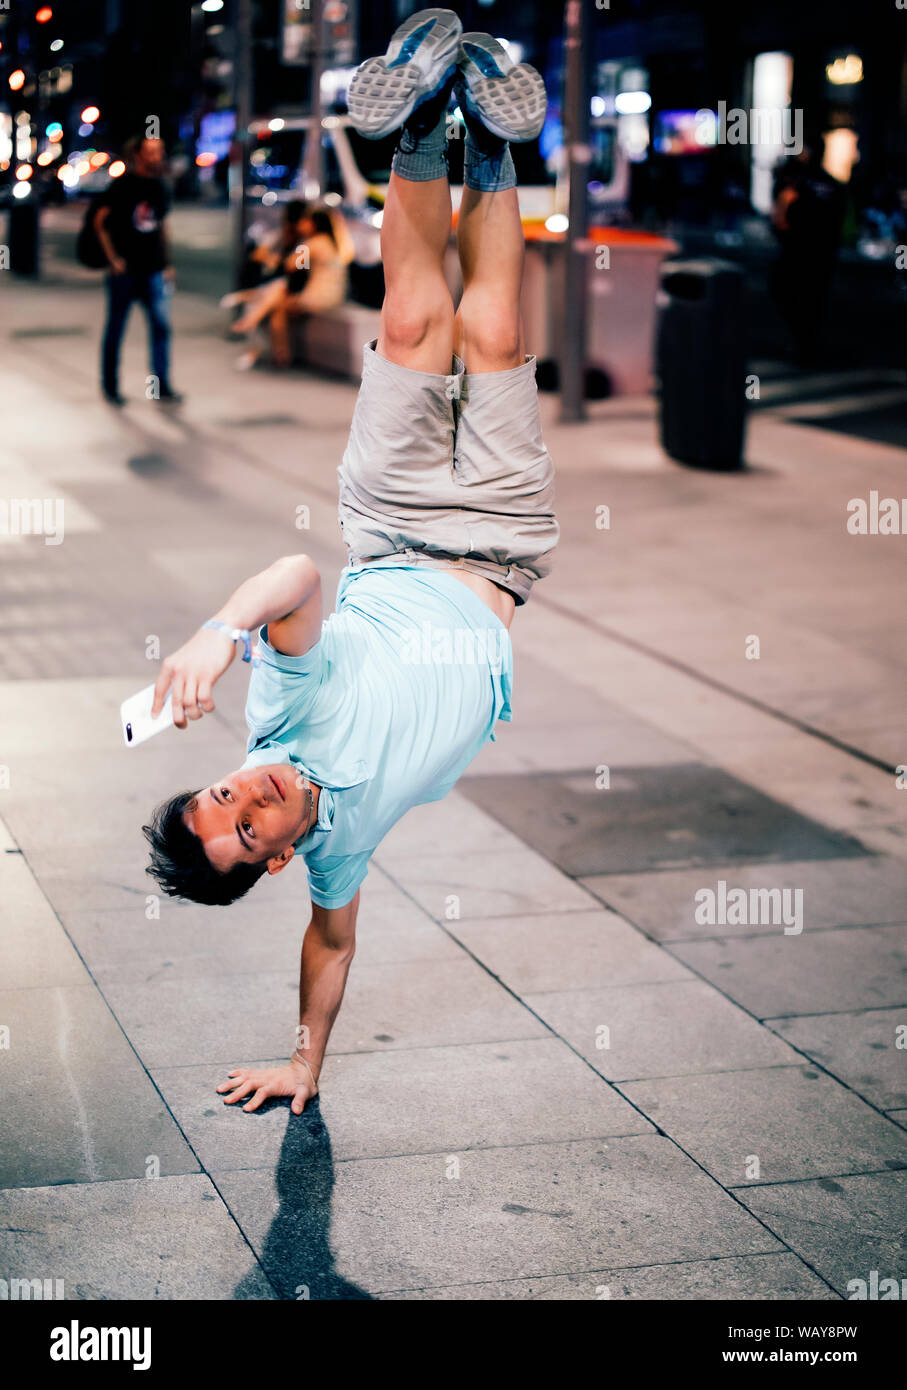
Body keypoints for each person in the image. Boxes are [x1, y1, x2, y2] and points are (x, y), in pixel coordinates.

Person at [142, 9, 557, 1117]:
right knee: (492, 331)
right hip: (495, 551)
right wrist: (303, 1065)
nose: (246, 796)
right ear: (271, 862)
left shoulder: (283, 711)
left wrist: (215, 634)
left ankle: (423, 130)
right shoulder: (332, 858)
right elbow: (330, 947)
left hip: (388, 527)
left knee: (416, 318)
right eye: (241, 830)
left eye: (220, 792)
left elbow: (294, 579)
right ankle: (498, 142)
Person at [94, 135, 181, 406]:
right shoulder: (122, 186)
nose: (157, 157)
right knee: (116, 329)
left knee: (161, 327)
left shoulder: (160, 187)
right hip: (125, 273)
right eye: (151, 152)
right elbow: (100, 222)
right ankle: (110, 386)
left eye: (160, 151)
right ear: (139, 155)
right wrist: (113, 259)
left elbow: (162, 225)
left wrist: (167, 263)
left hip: (153, 270)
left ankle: (161, 385)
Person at [227, 203, 355, 369]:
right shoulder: (334, 242)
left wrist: (274, 258)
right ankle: (278, 351)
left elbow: (289, 265)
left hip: (317, 297)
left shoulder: (312, 243)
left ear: (314, 223)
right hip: (335, 295)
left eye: (306, 221)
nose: (302, 224)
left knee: (277, 301)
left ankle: (278, 352)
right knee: (278, 300)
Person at [770, 139, 846, 365]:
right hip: (820, 254)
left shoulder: (794, 184)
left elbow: (779, 219)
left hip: (797, 252)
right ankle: (807, 345)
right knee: (812, 302)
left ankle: (801, 345)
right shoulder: (832, 185)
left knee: (795, 299)